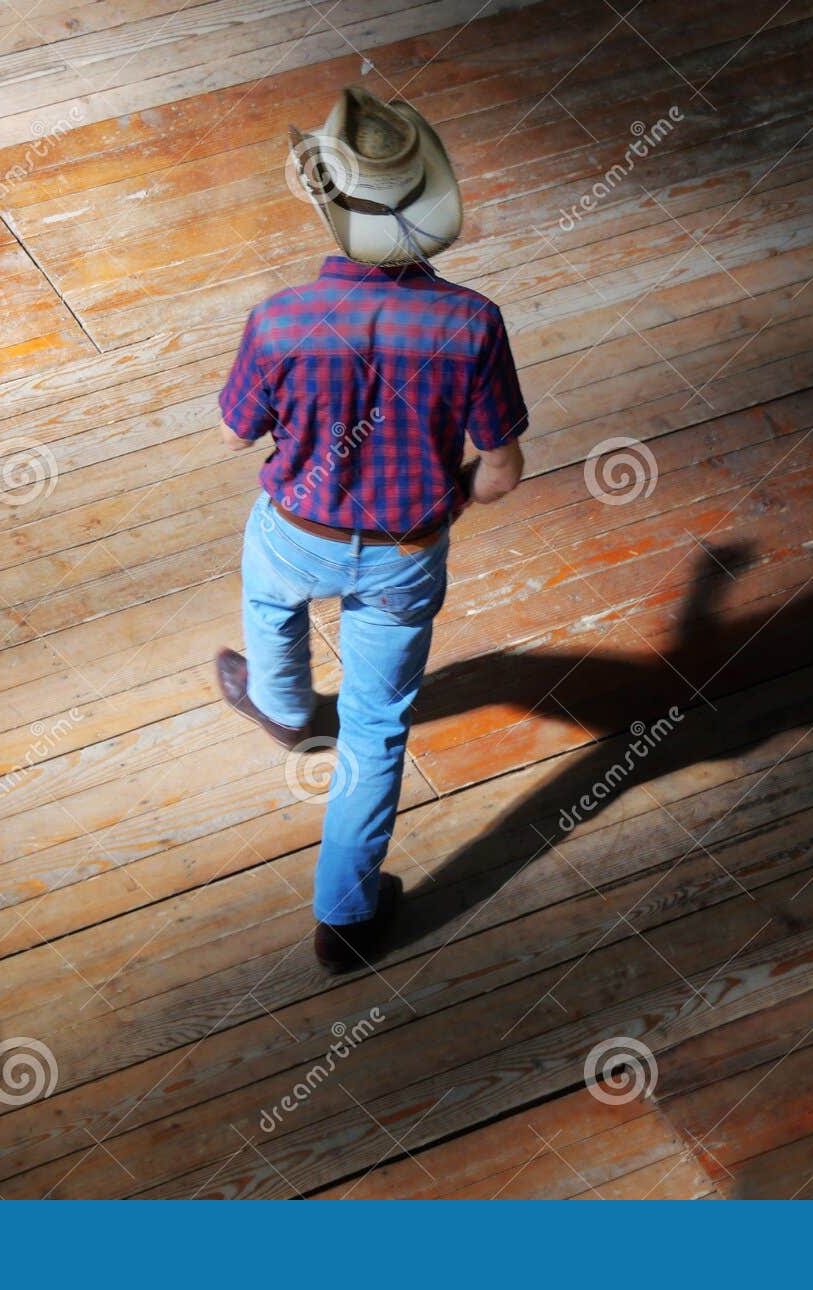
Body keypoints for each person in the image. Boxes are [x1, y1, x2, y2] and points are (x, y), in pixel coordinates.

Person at [216, 86, 528, 972]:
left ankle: (279, 706)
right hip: (406, 550)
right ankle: (347, 918)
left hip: (297, 523)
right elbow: (502, 469)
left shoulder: (280, 319)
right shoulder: (472, 323)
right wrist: (450, 501)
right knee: (377, 725)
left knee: (268, 590)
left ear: (328, 209)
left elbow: (239, 432)